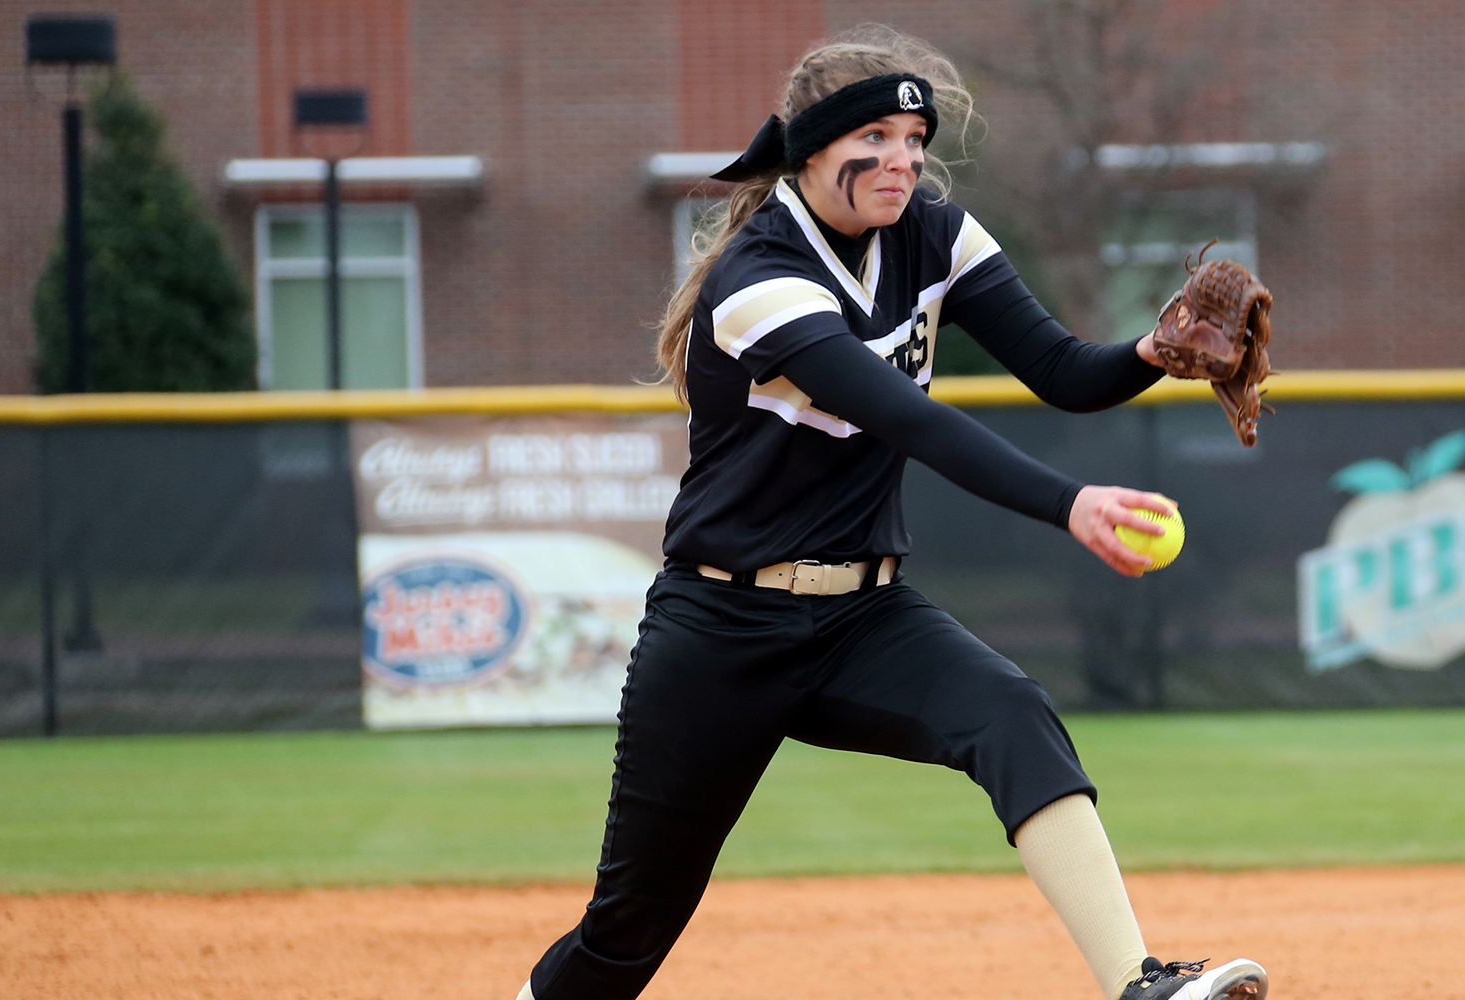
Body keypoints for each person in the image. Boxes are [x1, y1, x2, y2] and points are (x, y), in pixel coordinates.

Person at [518, 24, 1268, 1000]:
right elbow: (906, 418)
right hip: (721, 629)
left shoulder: (935, 236)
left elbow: (1059, 371)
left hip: (863, 614)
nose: (902, 158)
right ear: (811, 148)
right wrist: (1067, 500)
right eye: (872, 136)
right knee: (631, 926)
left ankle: (1138, 982)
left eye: (914, 139)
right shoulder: (756, 281)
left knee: (1009, 709)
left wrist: (1152, 349)